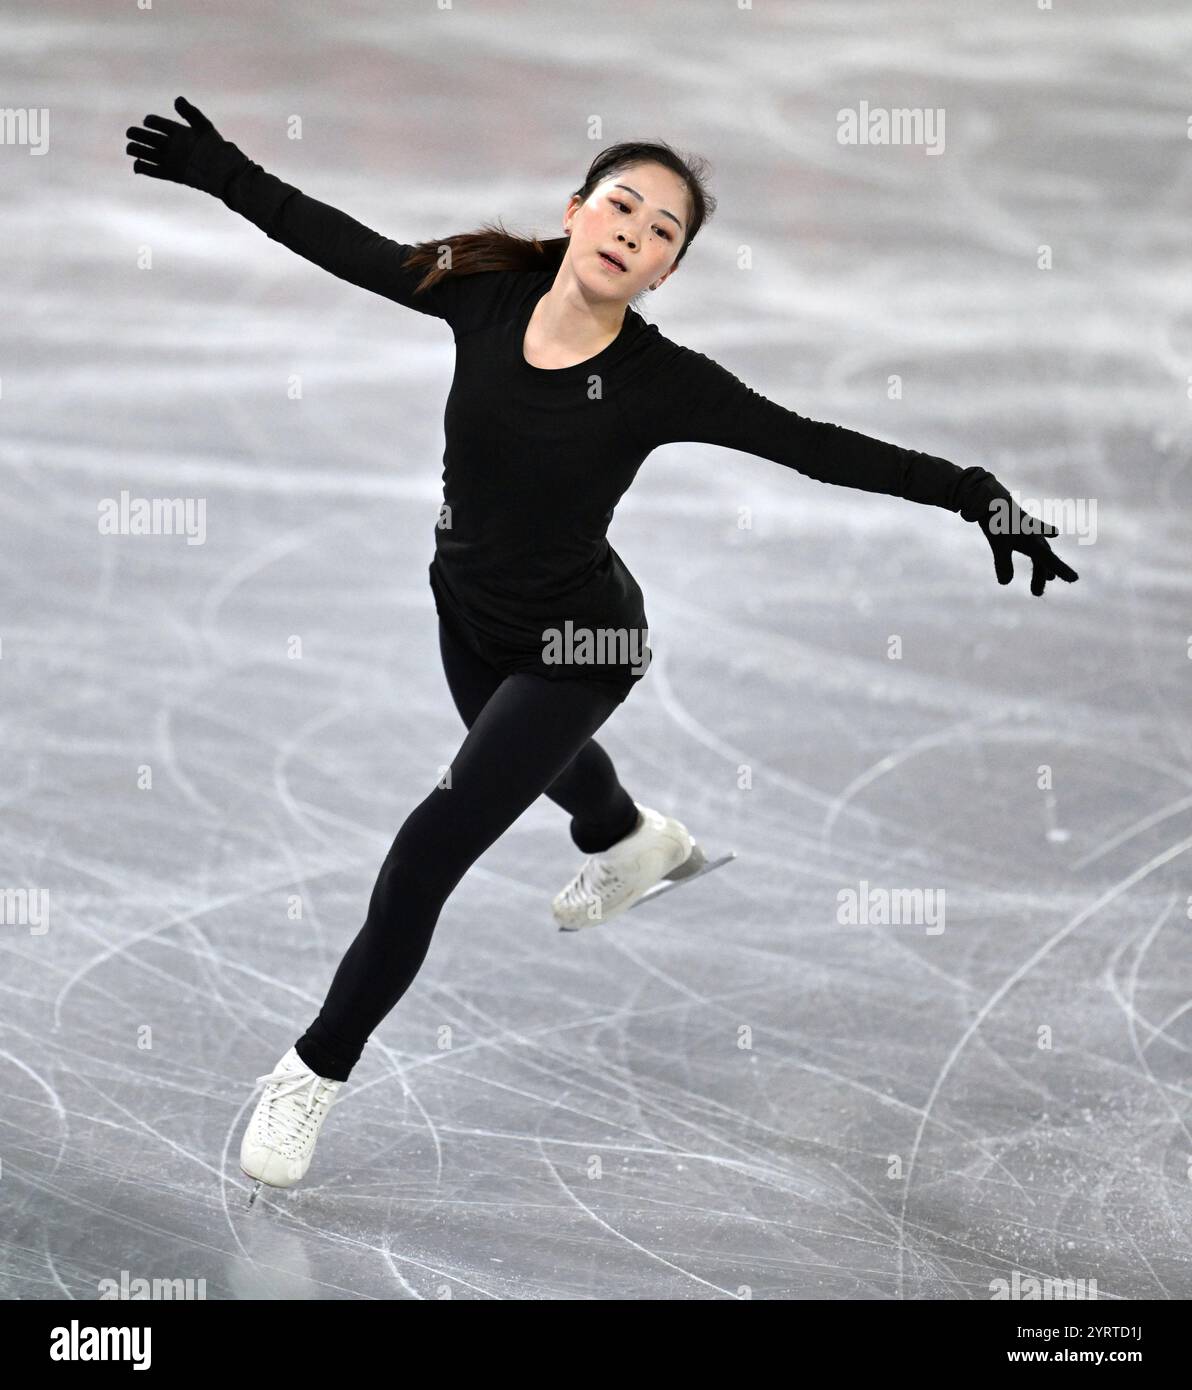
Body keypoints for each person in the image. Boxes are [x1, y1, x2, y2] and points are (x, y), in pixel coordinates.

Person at [124, 98, 1079, 1197]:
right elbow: (342, 242)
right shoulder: (479, 290)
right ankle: (629, 837)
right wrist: (223, 170)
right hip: (468, 612)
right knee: (539, 766)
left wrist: (976, 496)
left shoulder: (659, 380)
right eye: (621, 204)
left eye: (663, 229)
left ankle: (313, 1068)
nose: (635, 229)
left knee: (432, 845)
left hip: (582, 641)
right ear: (575, 213)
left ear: (665, 272)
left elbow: (812, 446)